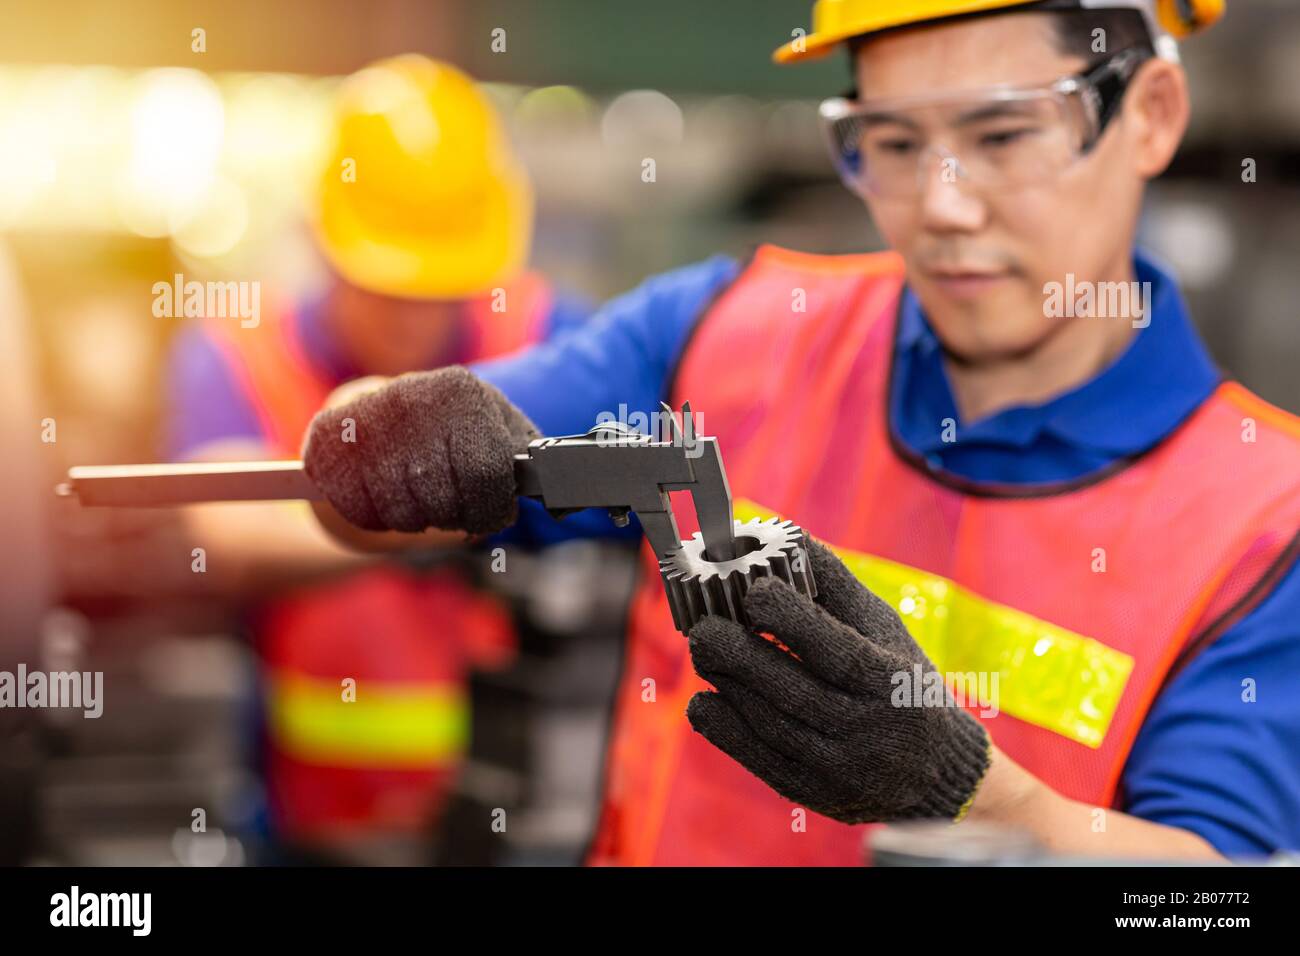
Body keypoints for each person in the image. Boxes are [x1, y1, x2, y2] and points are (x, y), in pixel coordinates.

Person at [300, 1, 1300, 864]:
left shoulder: (1264, 523)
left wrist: (973, 795)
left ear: (1151, 115)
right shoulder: (724, 336)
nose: (943, 206)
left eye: (1002, 136)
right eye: (896, 144)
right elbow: (413, 482)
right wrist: (375, 434)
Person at [164, 55, 592, 850]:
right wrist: (426, 516)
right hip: (304, 824)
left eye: (442, 286)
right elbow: (224, 534)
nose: (415, 318)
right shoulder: (239, 356)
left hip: (524, 822)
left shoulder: (545, 335)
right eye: (390, 287)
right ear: (318, 239)